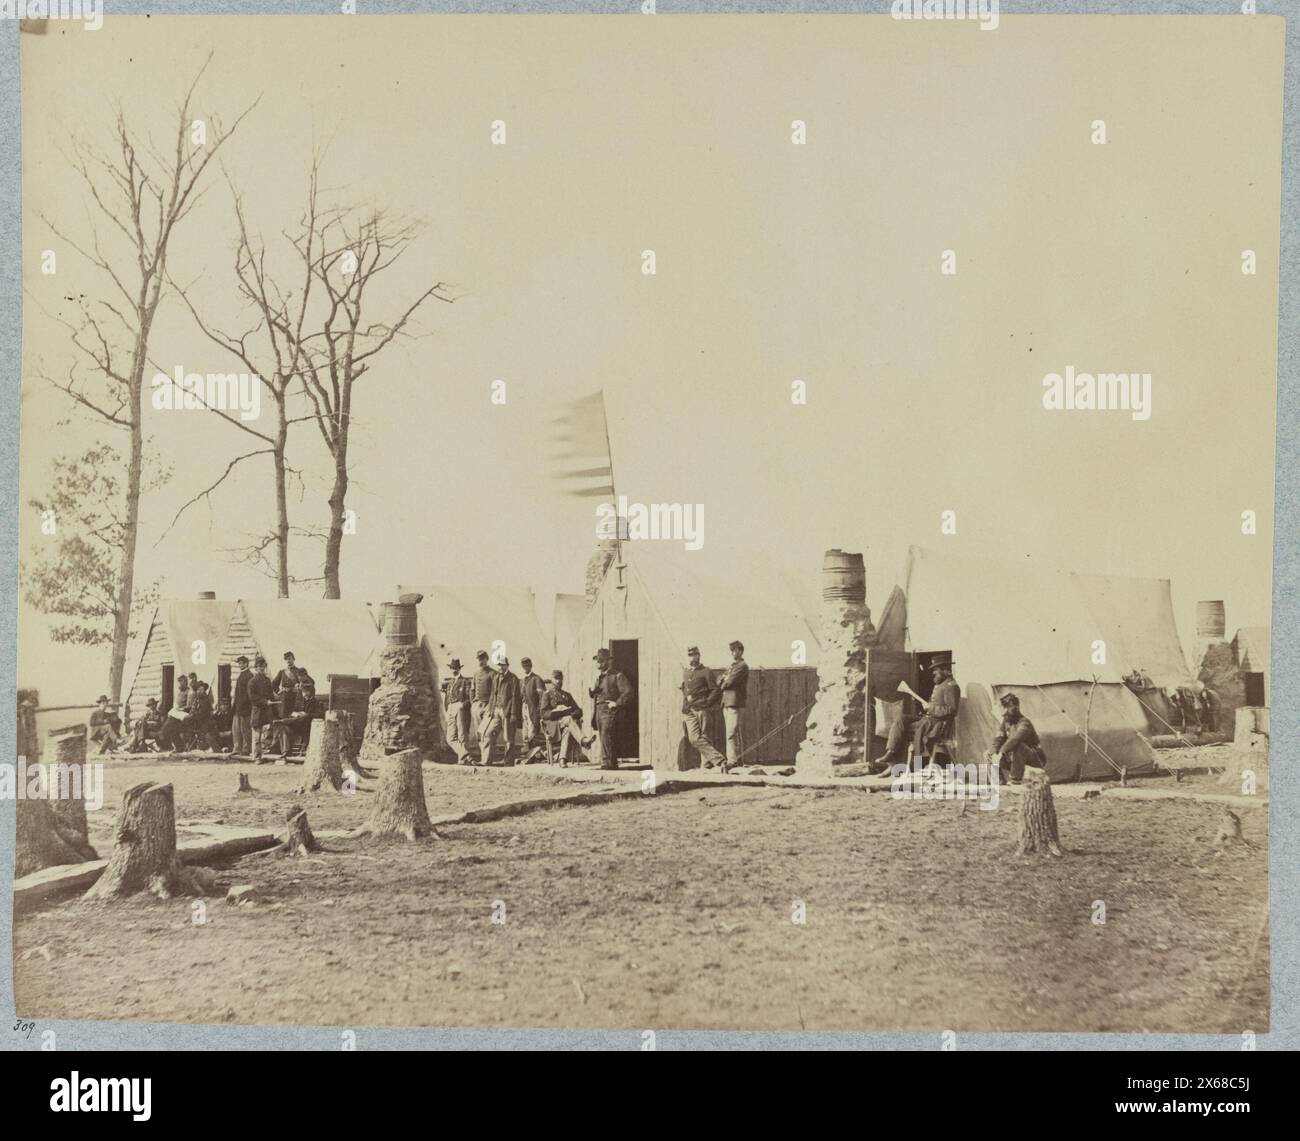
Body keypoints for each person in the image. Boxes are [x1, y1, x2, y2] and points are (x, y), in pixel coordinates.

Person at [680, 645, 728, 771]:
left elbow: (715, 690)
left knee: (705, 736)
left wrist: (706, 702)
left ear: (699, 656)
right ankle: (720, 760)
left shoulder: (706, 671)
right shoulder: (686, 672)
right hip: (688, 710)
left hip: (702, 708)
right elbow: (685, 688)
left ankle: (706, 765)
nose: (692, 658)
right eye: (689, 655)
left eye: (694, 655)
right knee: (694, 738)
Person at [985, 692, 1046, 784]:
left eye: (1009, 708)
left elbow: (1016, 739)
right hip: (1016, 760)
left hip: (1034, 761)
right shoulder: (1006, 722)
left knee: (1019, 746)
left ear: (1016, 708)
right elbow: (999, 738)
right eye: (1004, 709)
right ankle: (999, 782)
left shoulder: (1024, 723)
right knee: (988, 754)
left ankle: (1015, 779)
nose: (1004, 714)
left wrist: (1001, 752)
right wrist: (994, 752)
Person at [912, 656, 961, 766]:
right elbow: (932, 705)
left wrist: (930, 708)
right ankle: (892, 755)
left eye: (936, 670)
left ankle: (917, 763)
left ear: (944, 670)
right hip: (929, 718)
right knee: (902, 720)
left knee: (921, 727)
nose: (933, 673)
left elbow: (952, 709)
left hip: (938, 724)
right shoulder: (939, 685)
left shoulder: (951, 686)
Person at [590, 647, 632, 770]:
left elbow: (628, 692)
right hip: (598, 710)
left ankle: (607, 763)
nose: (599, 663)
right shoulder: (598, 678)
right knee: (603, 736)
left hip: (609, 711)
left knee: (606, 734)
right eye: (597, 660)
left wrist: (616, 703)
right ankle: (611, 763)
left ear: (608, 661)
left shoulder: (617, 676)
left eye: (601, 660)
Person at [480, 656, 523, 766]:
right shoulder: (496, 678)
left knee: (508, 738)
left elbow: (515, 698)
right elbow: (492, 695)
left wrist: (513, 714)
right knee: (489, 734)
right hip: (496, 711)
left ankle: (508, 763)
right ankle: (486, 761)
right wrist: (490, 709)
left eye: (503, 665)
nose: (501, 667)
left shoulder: (513, 679)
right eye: (499, 665)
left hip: (507, 711)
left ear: (507, 666)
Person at [540, 670, 588, 766]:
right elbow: (543, 713)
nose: (559, 681)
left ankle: (562, 758)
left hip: (566, 724)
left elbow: (579, 711)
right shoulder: (547, 695)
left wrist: (569, 713)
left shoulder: (567, 695)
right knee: (569, 720)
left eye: (560, 678)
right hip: (553, 725)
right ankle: (583, 740)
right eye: (556, 678)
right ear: (552, 680)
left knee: (568, 728)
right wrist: (556, 712)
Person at [718, 640, 749, 771]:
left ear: (741, 650)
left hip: (735, 703)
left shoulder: (742, 666)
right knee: (733, 732)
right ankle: (737, 759)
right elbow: (719, 679)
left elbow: (728, 683)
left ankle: (732, 761)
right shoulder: (733, 666)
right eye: (731, 650)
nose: (732, 653)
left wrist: (724, 681)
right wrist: (723, 680)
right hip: (727, 702)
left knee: (732, 732)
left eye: (735, 650)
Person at [443, 658, 474, 764]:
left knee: (462, 735)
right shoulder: (450, 683)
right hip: (451, 708)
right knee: (450, 738)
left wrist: (462, 705)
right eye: (452, 668)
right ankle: (466, 755)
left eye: (455, 668)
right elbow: (447, 698)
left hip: (460, 708)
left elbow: (470, 699)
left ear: (459, 669)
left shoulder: (465, 682)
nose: (453, 670)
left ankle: (462, 760)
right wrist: (447, 710)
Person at [248, 657, 276, 761]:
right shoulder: (252, 681)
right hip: (257, 712)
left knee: (267, 736)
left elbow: (271, 696)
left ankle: (263, 755)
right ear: (256, 668)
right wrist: (265, 701)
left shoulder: (267, 680)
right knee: (257, 737)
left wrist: (273, 704)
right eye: (259, 666)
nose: (261, 668)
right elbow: (252, 697)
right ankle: (257, 757)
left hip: (267, 712)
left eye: (263, 666)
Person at [520, 657, 546, 757]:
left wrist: (539, 711)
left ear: (531, 666)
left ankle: (533, 755)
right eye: (523, 665)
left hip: (533, 709)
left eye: (527, 665)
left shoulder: (537, 679)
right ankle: (526, 753)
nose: (525, 667)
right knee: (525, 732)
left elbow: (542, 697)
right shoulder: (522, 680)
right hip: (524, 708)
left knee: (533, 732)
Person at [471, 649, 494, 750]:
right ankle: (482, 755)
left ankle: (487, 756)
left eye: (482, 659)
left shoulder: (493, 673)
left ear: (487, 659)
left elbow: (495, 692)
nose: (480, 661)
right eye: (479, 659)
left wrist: (491, 706)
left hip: (487, 705)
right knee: (478, 733)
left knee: (486, 731)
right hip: (477, 706)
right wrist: (473, 703)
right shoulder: (476, 673)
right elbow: (472, 689)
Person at [232, 656, 253, 755]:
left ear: (246, 664)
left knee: (245, 730)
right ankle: (237, 749)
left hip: (245, 708)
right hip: (238, 708)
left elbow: (248, 694)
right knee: (237, 730)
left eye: (241, 663)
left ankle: (246, 749)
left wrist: (244, 705)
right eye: (239, 663)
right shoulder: (242, 675)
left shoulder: (249, 675)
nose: (240, 665)